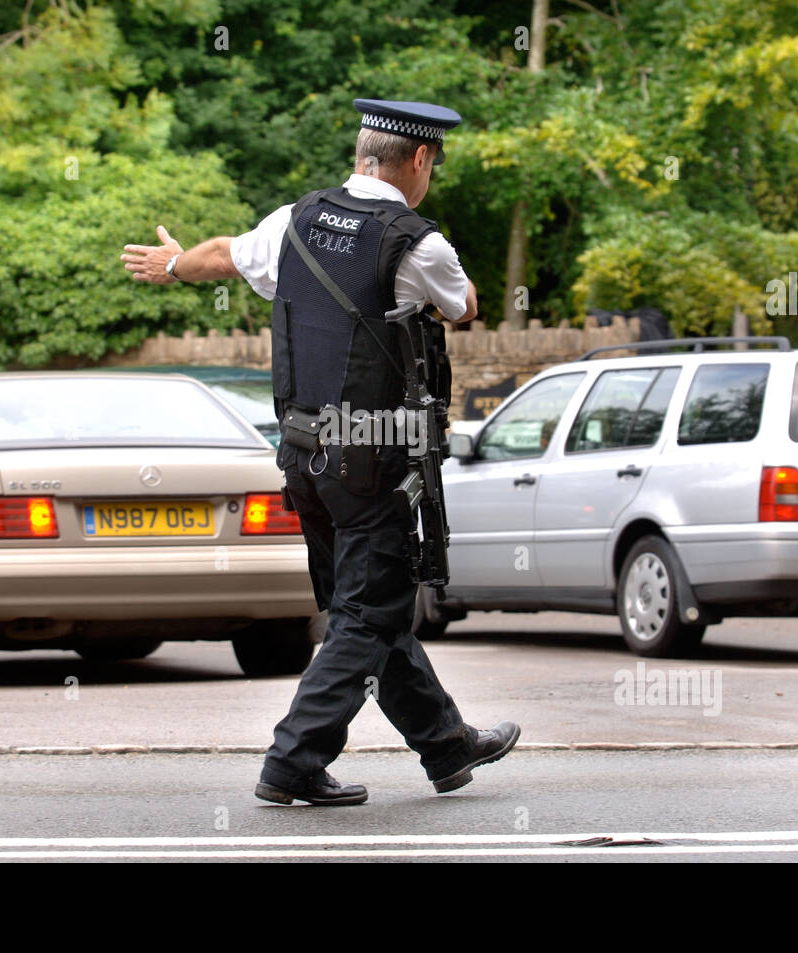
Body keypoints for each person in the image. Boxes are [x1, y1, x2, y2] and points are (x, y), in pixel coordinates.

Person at [122, 98, 519, 806]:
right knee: (366, 613)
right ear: (420, 160)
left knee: (367, 604)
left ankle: (446, 744)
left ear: (362, 153)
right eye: (432, 165)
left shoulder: (293, 219)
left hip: (302, 455)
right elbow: (465, 307)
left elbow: (222, 253)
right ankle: (293, 760)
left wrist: (176, 263)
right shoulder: (416, 241)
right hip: (371, 461)